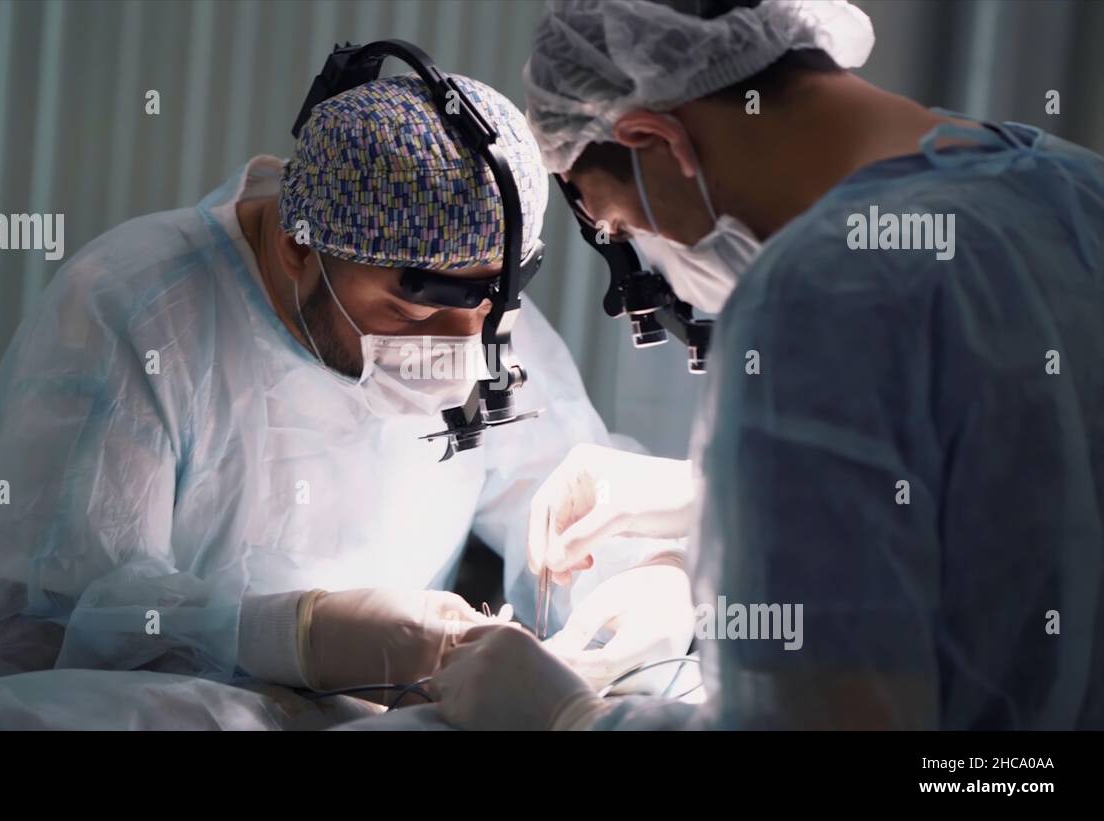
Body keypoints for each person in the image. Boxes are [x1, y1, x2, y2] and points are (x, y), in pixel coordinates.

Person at [0, 71, 689, 723]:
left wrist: (631, 586)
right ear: (296, 244)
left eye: (491, 303)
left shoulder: (477, 303)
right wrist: (305, 633)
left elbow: (566, 510)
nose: (461, 345)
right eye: (413, 308)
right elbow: (41, 626)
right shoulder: (140, 309)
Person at [434, 0, 1104, 729]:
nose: (653, 260)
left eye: (621, 226)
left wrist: (567, 717)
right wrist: (700, 496)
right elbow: (1019, 488)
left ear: (653, 137)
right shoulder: (1075, 188)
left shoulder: (819, 290)